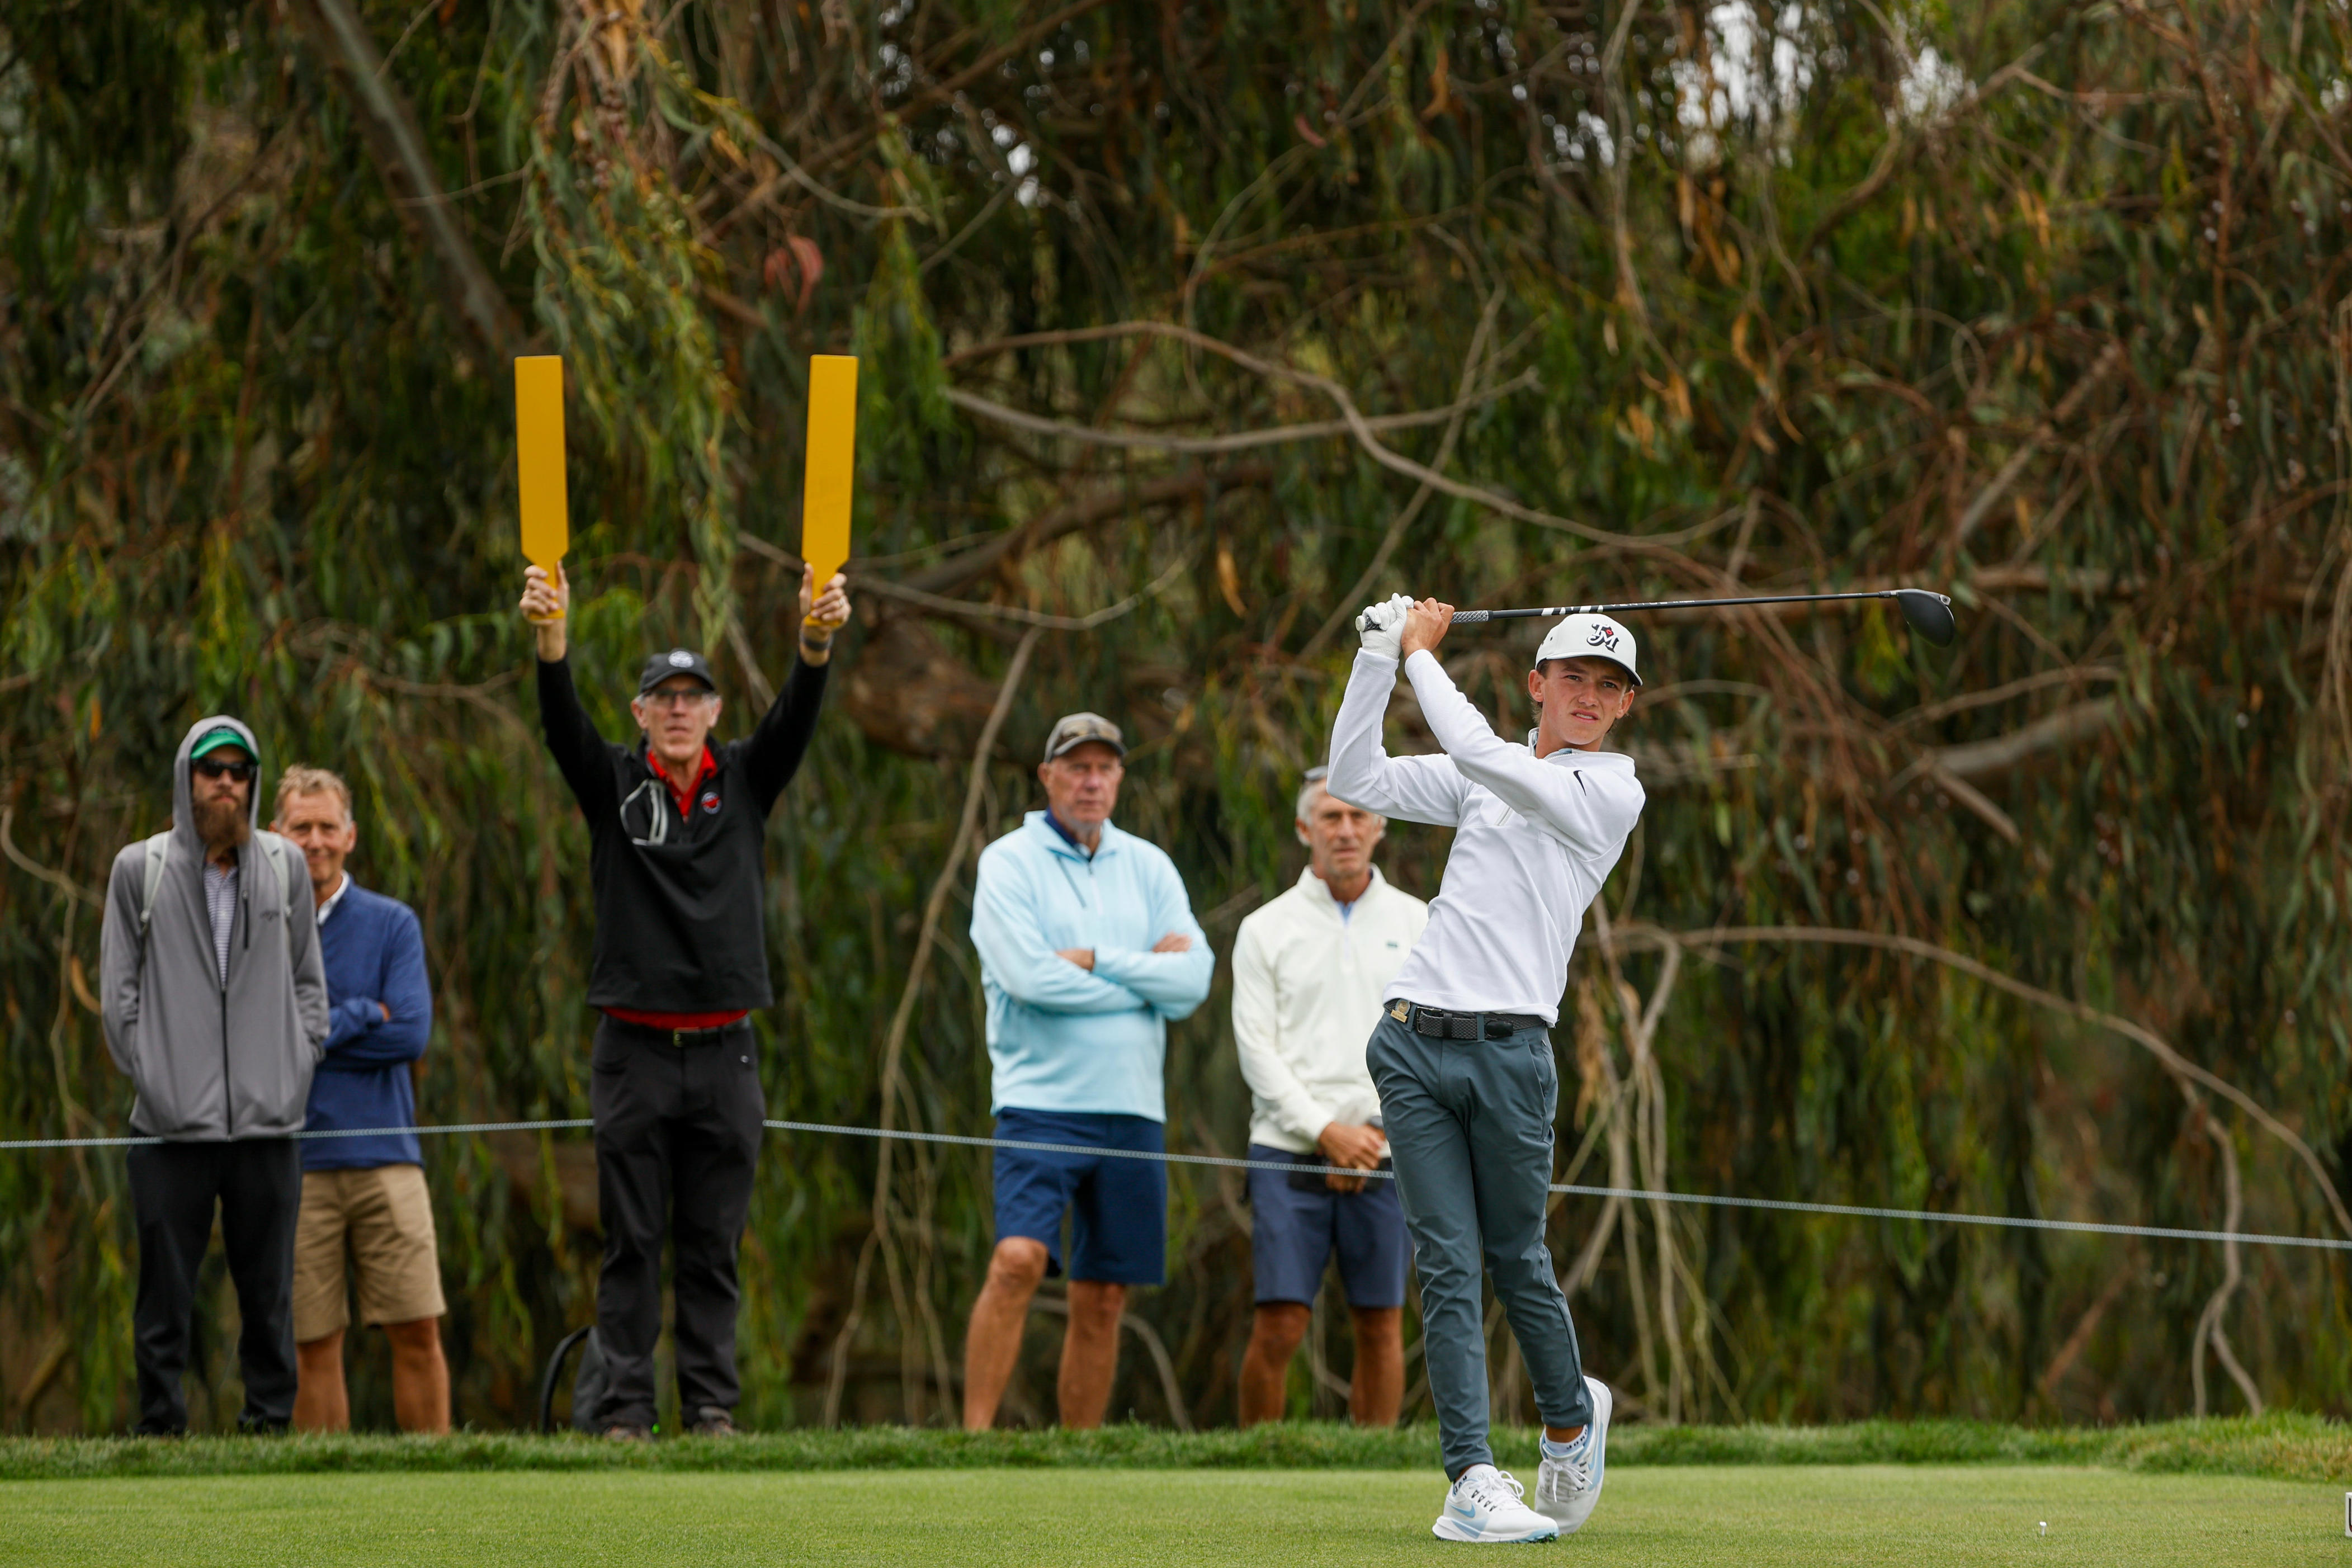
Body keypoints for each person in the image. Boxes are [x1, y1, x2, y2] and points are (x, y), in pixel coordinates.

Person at [1329, 594, 1645, 1543]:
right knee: (1448, 1263)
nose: (1590, 696)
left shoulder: (1611, 789)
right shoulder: (1484, 770)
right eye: (1575, 677)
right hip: (1413, 1041)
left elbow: (1486, 758)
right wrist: (1377, 658)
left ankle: (1566, 1415)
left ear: (1625, 706)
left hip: (1512, 1053)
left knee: (1517, 1258)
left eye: (1611, 684)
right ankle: (1470, 1474)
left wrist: (1422, 657)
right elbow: (1355, 771)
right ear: (1536, 683)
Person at [518, 559, 852, 1439]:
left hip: (724, 1053)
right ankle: (626, 1410)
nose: (676, 709)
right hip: (631, 1053)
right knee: (631, 1246)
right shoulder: (613, 787)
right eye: (660, 697)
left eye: (691, 696)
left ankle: (708, 1410)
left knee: (712, 1247)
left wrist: (815, 640)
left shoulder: (744, 780)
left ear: (712, 712)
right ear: (640, 715)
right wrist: (551, 641)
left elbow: (798, 716)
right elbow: (561, 727)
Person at [960, 714, 1214, 1430]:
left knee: (1103, 1294)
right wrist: (1146, 979)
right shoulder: (1008, 861)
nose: (1091, 780)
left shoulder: (1150, 865)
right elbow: (1031, 979)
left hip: (1133, 1107)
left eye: (1105, 767)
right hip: (1039, 1102)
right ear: (1047, 777)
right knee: (1016, 1259)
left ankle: (1080, 1452)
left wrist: (1100, 958)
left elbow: (1193, 982)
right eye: (1076, 767)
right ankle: (971, 1438)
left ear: (1120, 778)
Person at [98, 717, 329, 1434]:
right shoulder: (142, 868)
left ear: (252, 784)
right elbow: (119, 997)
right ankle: (160, 1431)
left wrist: (295, 1066)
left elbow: (308, 987)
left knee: (268, 1294)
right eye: (211, 769)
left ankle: (269, 1428)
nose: (225, 781)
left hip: (267, 1124)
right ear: (186, 778)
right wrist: (159, 1079)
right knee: (165, 1294)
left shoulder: (286, 867)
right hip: (169, 1129)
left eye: (238, 770)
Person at [1232, 767, 1427, 1428]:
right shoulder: (1266, 928)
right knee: (1282, 1321)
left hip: (1385, 1149)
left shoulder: (1420, 921)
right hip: (1288, 1149)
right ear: (1304, 829)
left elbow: (1427, 1043)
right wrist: (1325, 1130)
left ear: (1379, 826)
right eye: (1330, 818)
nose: (1344, 830)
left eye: (1357, 817)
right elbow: (1258, 1050)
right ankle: (1258, 1465)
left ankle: (1371, 1473)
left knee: (1380, 1321)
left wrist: (1374, 1130)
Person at [271, 767, 448, 1434]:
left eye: (326, 827)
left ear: (350, 834)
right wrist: (357, 1014)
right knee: (313, 1343)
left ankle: (438, 1490)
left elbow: (409, 1031)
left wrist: (312, 1029)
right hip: (297, 1164)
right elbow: (261, 1040)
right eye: (300, 827)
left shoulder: (392, 923)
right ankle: (324, 1505)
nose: (314, 840)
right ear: (276, 835)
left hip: (387, 1158)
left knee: (417, 1329)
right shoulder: (262, 925)